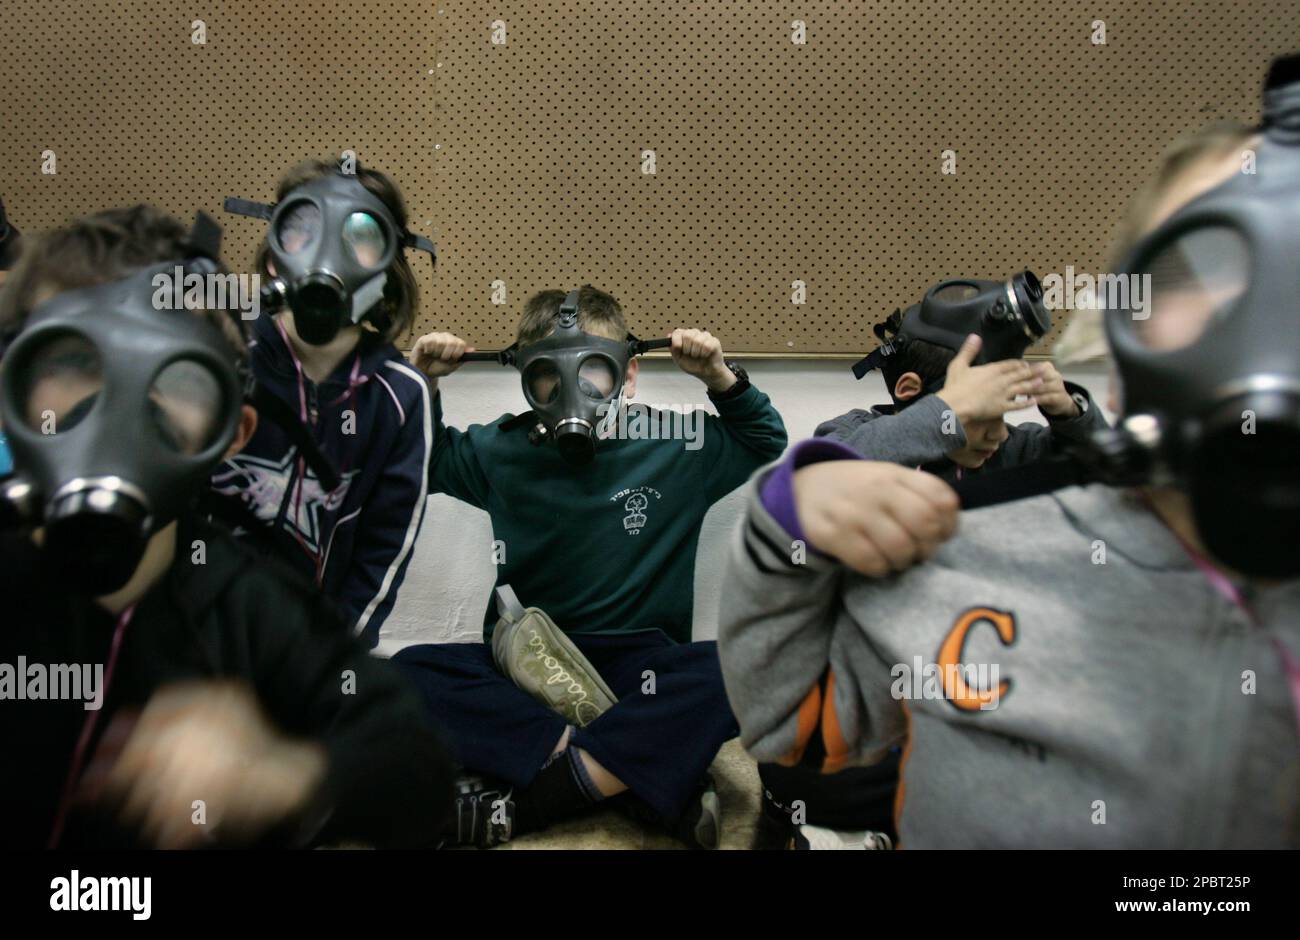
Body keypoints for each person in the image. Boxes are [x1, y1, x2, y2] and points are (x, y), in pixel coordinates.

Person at [716, 60, 1299, 848]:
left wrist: (1068, 411)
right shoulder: (966, 534)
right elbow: (826, 468)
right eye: (1205, 271)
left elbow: (1097, 467)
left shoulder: (1035, 460)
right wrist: (938, 423)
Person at [0, 205, 454, 848]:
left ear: (230, 431)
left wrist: (282, 772)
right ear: (10, 385)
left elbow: (414, 764)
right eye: (74, 358)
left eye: (174, 372)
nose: (117, 409)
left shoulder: (247, 602)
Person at [398, 284, 788, 847]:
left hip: (641, 666)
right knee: (410, 674)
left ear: (628, 375)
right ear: (526, 380)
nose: (571, 393)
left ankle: (532, 801)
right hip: (530, 664)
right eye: (547, 378)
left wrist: (719, 377)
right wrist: (423, 382)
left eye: (594, 373)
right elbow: (421, 462)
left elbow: (763, 439)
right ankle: (632, 776)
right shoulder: (500, 450)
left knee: (738, 670)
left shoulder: (677, 445)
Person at [209, 159, 433, 648]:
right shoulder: (217, 361)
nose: (328, 252)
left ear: (389, 266)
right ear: (273, 256)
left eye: (360, 236)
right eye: (303, 230)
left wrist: (325, 662)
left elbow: (383, 550)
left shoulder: (400, 396)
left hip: (309, 654)